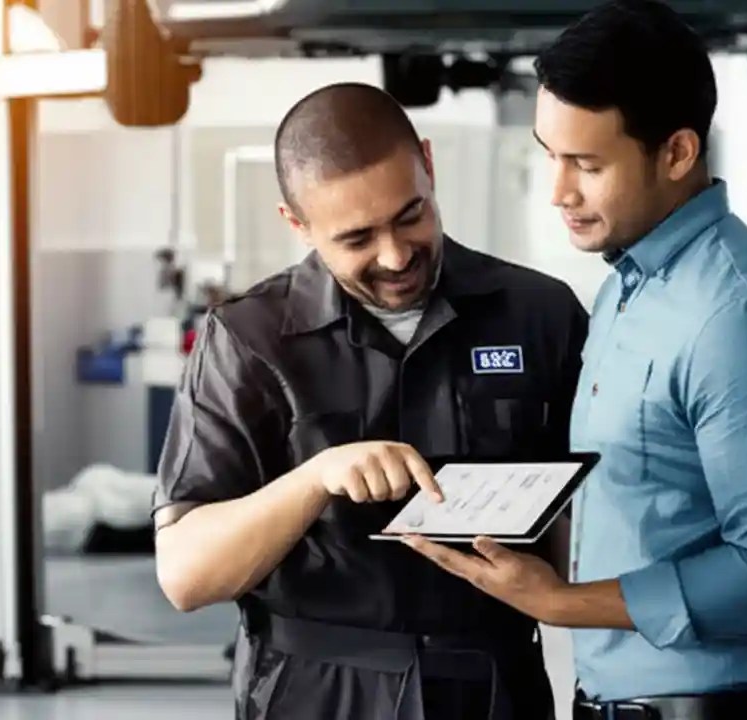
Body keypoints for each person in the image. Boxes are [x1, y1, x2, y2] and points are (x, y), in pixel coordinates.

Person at [402, 2, 747, 719]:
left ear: (678, 153)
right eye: (551, 155)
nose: (559, 192)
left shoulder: (742, 317)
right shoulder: (629, 286)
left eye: (588, 164)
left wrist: (560, 602)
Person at [151, 82, 589, 719]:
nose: (395, 254)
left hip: (493, 690)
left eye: (411, 215)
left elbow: (598, 527)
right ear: (297, 223)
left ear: (428, 166)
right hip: (316, 695)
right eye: (357, 239)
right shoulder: (248, 340)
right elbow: (187, 577)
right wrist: (315, 479)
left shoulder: (539, 315)